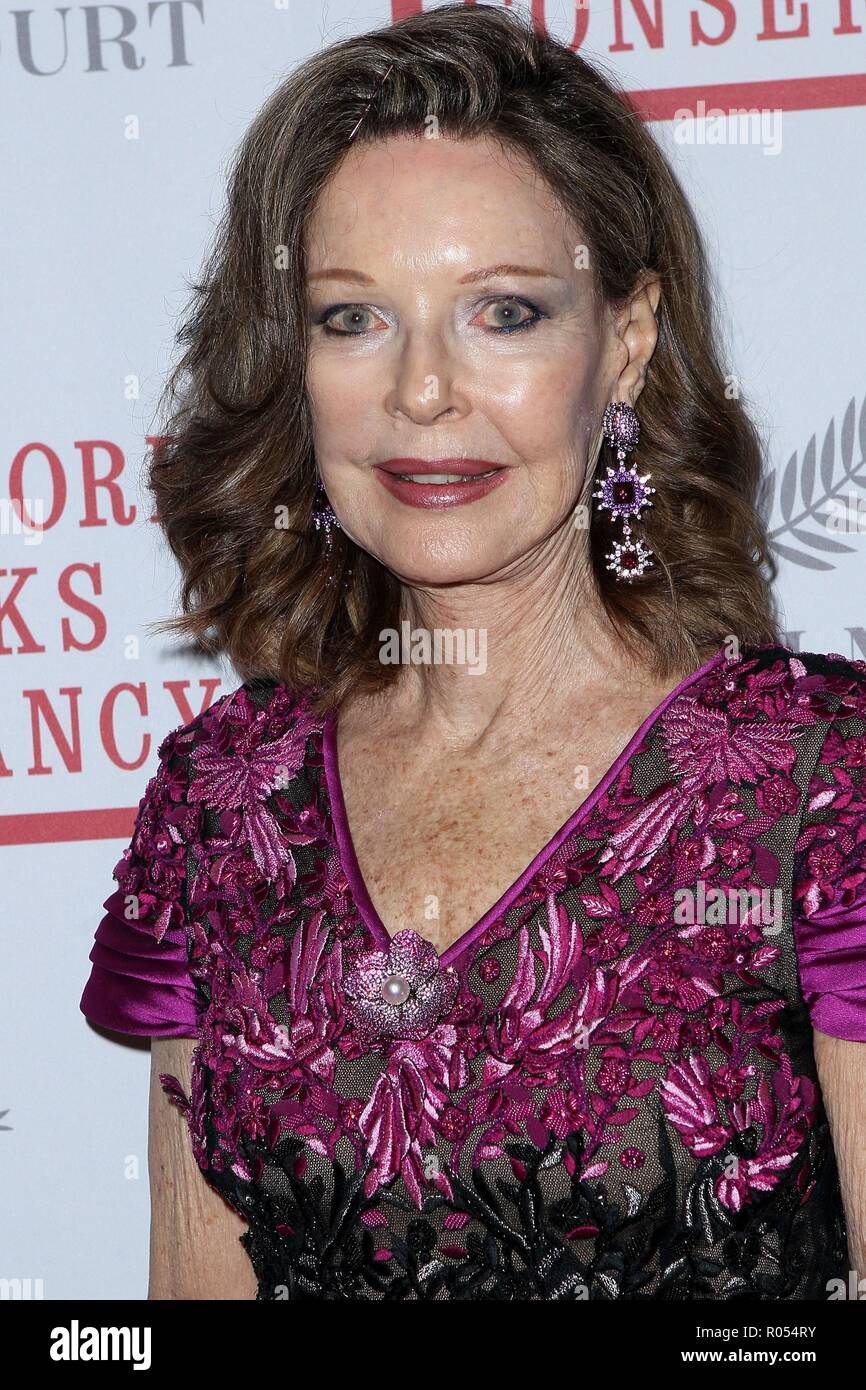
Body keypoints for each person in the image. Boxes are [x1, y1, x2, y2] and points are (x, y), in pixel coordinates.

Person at [80, 3, 866, 1300]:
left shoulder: (816, 786)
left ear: (622, 342)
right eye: (353, 318)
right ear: (295, 361)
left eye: (501, 310)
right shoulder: (224, 804)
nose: (423, 389)